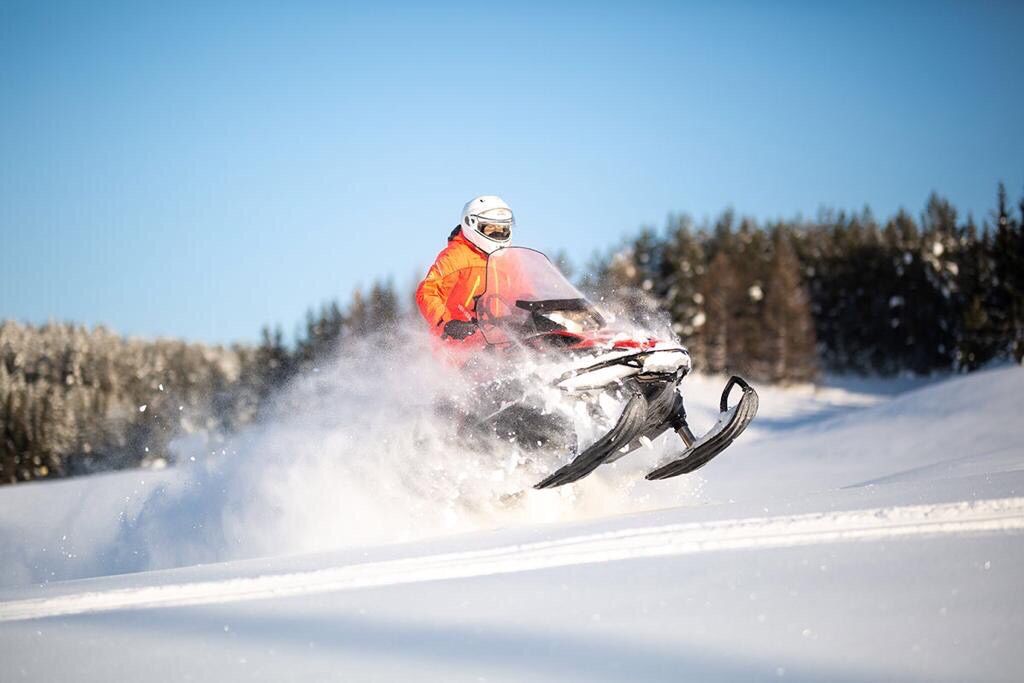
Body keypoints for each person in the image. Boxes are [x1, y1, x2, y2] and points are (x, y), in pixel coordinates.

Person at [415, 195, 514, 351]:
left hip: (496, 344)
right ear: (472, 224)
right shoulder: (456, 256)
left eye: (503, 229)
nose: (498, 234)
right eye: (490, 228)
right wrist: (446, 322)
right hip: (455, 344)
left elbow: (524, 292)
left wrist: (539, 307)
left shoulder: (508, 261)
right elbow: (428, 291)